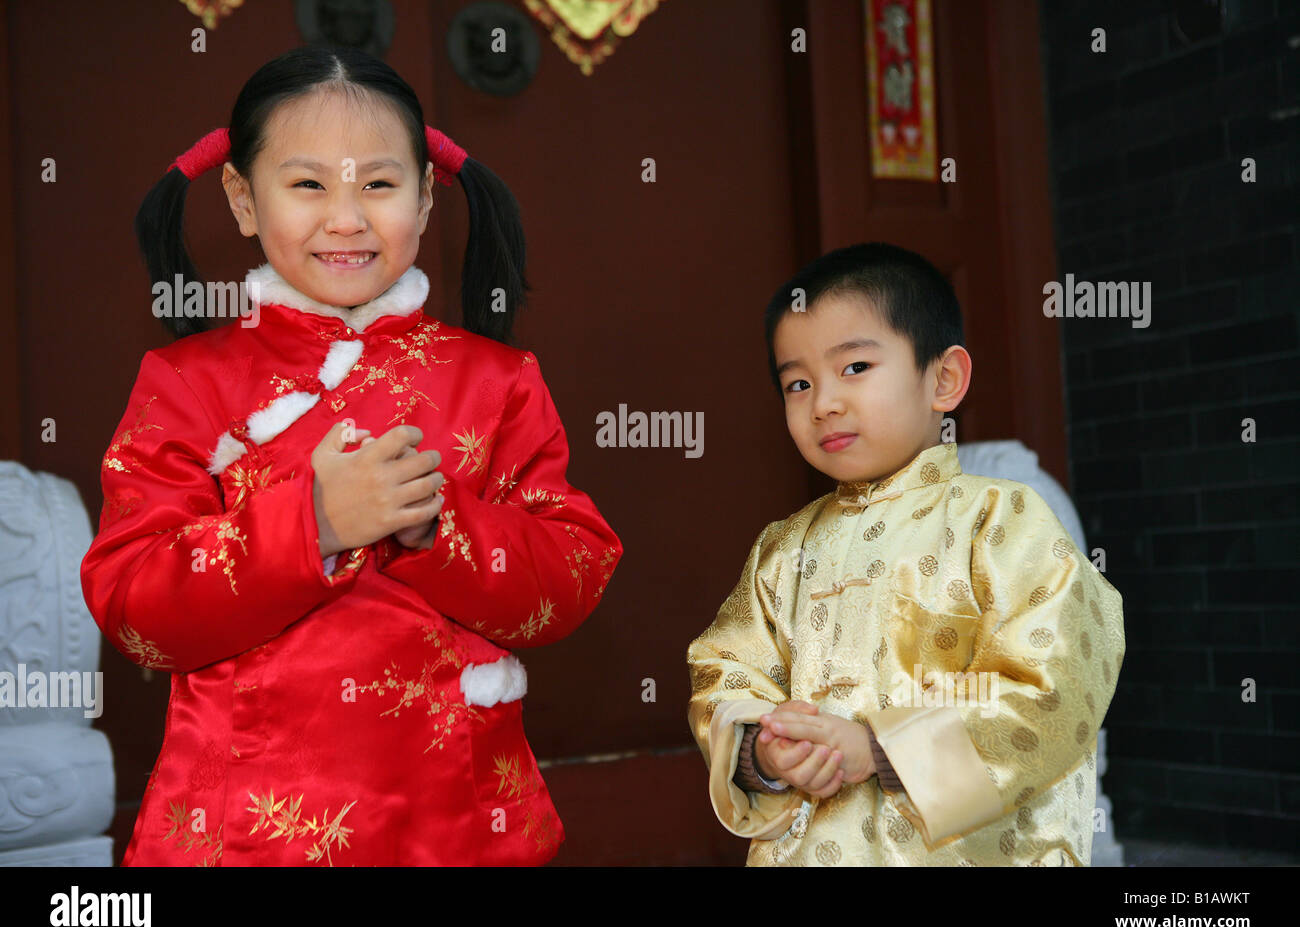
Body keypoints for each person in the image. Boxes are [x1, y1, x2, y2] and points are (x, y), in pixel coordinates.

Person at [81, 46, 622, 866]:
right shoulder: (188, 382)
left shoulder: (498, 381)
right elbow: (133, 610)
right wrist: (314, 523)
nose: (346, 218)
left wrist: (435, 529)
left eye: (378, 183)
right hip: (243, 834)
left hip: (460, 829)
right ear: (241, 199)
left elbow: (569, 580)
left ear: (427, 196)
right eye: (307, 185)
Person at [686, 242, 1125, 865]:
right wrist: (764, 751)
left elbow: (1055, 686)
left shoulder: (1001, 519)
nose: (824, 402)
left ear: (943, 379)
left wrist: (881, 751)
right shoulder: (782, 550)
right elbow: (724, 670)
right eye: (799, 383)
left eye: (856, 368)